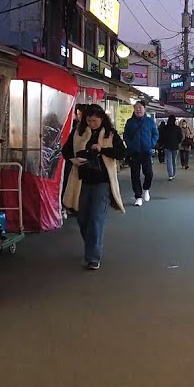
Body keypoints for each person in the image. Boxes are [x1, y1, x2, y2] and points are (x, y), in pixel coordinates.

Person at [61, 105, 127, 270]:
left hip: (103, 182)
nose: (91, 123)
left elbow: (121, 153)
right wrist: (76, 159)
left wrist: (102, 150)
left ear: (102, 118)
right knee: (83, 218)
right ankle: (92, 245)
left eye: (95, 120)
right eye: (89, 120)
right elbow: (66, 151)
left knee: (96, 219)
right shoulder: (78, 132)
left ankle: (93, 257)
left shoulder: (110, 134)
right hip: (82, 180)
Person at [122, 101, 159, 206]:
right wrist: (130, 145)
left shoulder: (150, 121)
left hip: (146, 151)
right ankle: (138, 196)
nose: (138, 109)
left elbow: (155, 134)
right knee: (135, 175)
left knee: (149, 173)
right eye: (136, 108)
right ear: (134, 109)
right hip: (134, 152)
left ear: (144, 109)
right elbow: (126, 136)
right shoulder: (130, 122)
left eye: (140, 107)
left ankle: (146, 188)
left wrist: (151, 144)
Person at [61, 104, 90, 216]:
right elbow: (66, 149)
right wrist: (73, 159)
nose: (79, 117)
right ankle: (72, 207)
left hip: (92, 169)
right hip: (75, 165)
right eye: (78, 114)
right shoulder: (76, 129)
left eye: (81, 115)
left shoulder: (99, 131)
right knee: (72, 184)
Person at [159, 116, 184, 181]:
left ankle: (170, 175)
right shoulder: (177, 128)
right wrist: (177, 142)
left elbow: (161, 137)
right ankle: (174, 174)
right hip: (175, 146)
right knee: (174, 160)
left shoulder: (164, 128)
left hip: (167, 146)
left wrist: (163, 143)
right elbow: (180, 137)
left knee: (168, 160)